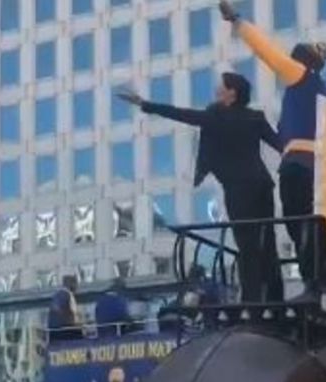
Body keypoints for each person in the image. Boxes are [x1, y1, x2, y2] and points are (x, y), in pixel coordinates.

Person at [118, 73, 284, 305]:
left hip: (239, 190)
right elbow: (280, 144)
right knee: (268, 243)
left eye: (222, 86)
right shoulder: (254, 118)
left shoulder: (214, 117)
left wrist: (144, 104)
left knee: (247, 246)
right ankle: (276, 297)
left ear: (232, 93)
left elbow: (180, 113)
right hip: (262, 186)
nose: (217, 89)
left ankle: (253, 301)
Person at [219, 0, 326, 300]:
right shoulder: (324, 94)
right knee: (312, 225)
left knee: (299, 222)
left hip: (299, 167)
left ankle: (317, 284)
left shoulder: (301, 78)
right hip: (315, 168)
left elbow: (267, 52)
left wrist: (237, 21)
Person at [47, 275, 82, 341]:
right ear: (71, 284)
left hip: (56, 331)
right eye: (76, 284)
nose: (77, 287)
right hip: (62, 331)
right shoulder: (64, 294)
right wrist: (66, 317)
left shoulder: (58, 294)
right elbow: (56, 307)